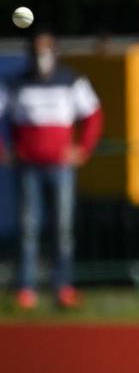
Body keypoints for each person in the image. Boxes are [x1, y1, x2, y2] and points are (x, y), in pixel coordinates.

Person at [0, 30, 102, 310]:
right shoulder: (15, 82)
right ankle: (26, 287)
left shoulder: (71, 80)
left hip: (60, 166)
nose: (41, 56)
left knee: (63, 228)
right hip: (28, 165)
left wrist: (83, 149)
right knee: (28, 228)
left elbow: (93, 115)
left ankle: (63, 285)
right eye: (37, 50)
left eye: (46, 49)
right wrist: (3, 149)